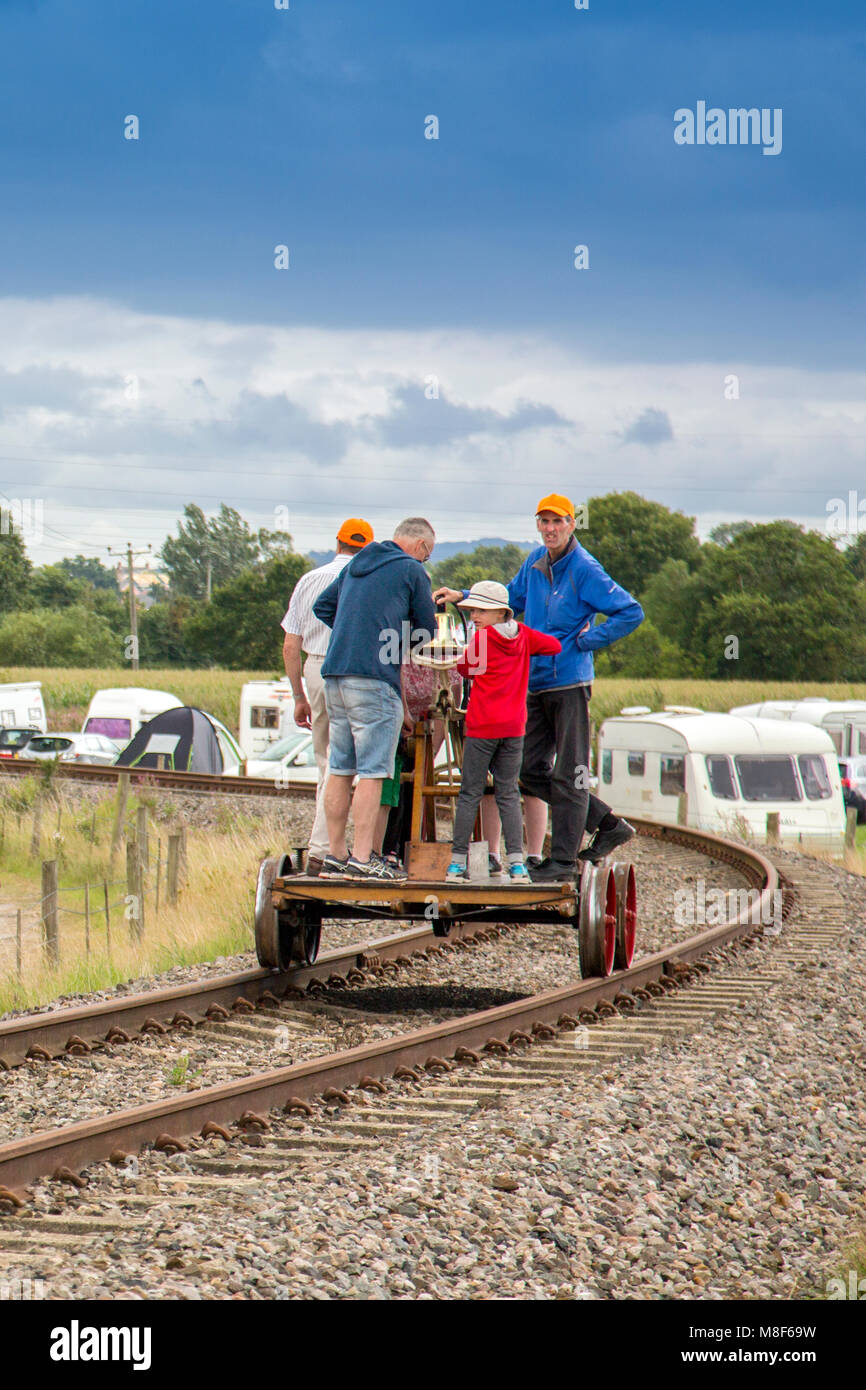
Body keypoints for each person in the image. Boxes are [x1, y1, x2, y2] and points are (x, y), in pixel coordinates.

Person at [435, 492, 643, 881]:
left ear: (571, 524)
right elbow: (508, 599)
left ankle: (563, 863)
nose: (549, 529)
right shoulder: (534, 561)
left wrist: (585, 641)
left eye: (557, 521)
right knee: (528, 769)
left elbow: (631, 611)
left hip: (569, 682)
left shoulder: (585, 568)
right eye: (543, 522)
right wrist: (464, 597)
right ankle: (607, 823)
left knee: (571, 771)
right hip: (533, 682)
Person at [313, 517, 438, 881]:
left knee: (339, 767)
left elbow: (323, 607)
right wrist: (390, 645)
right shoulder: (412, 571)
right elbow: (428, 629)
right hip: (373, 679)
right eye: (427, 556)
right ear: (422, 548)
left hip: (334, 676)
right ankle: (364, 858)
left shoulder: (357, 563)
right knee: (372, 771)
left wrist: (355, 632)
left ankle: (336, 856)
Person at [445, 581, 561, 882]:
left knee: (470, 792)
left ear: (499, 613)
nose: (474, 616)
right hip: (513, 728)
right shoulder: (522, 635)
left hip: (482, 728)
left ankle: (457, 864)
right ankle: (518, 864)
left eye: (481, 611)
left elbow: (465, 669)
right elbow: (554, 646)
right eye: (472, 611)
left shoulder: (482, 640)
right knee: (508, 794)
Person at [281, 518, 374, 875]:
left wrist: (298, 695)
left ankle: (322, 847)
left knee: (326, 762)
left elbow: (292, 644)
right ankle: (325, 849)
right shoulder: (366, 581)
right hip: (352, 670)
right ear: (367, 548)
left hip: (315, 668)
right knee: (342, 765)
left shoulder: (309, 580)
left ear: (338, 544)